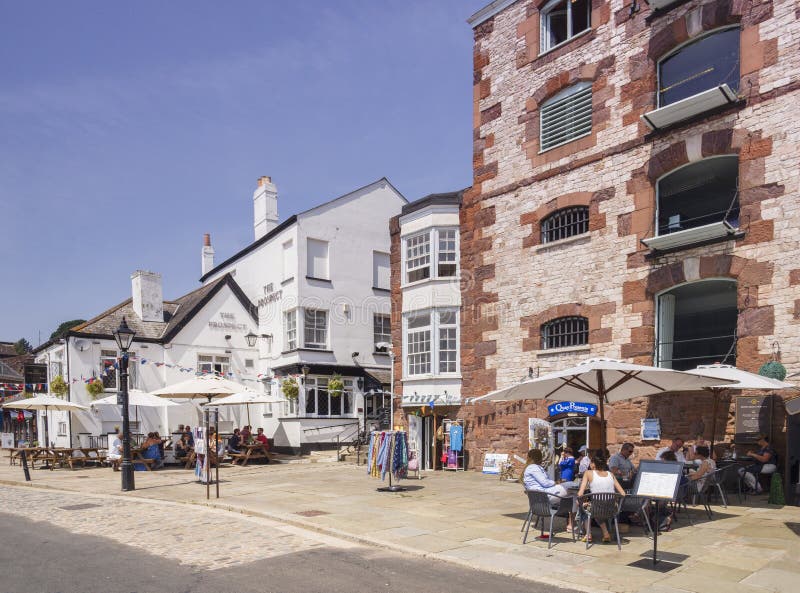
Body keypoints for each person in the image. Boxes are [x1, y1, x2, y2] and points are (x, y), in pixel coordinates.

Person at [577, 455, 627, 543]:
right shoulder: (610, 474)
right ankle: (606, 534)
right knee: (595, 508)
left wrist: (581, 502)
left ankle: (588, 534)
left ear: (593, 464)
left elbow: (580, 494)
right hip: (612, 509)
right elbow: (623, 493)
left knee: (583, 507)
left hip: (596, 509)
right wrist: (614, 499)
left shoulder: (588, 473)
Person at [522, 448, 573, 531]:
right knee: (572, 487)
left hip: (538, 499)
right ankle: (573, 523)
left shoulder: (531, 468)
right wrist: (557, 482)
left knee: (573, 492)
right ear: (539, 457)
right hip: (545, 497)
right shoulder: (533, 468)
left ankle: (571, 523)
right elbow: (545, 483)